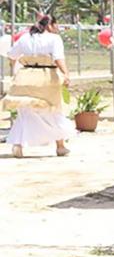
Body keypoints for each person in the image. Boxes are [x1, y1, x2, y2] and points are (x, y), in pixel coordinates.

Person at [1, 15, 74, 158]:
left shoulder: (25, 38)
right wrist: (66, 74)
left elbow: (11, 55)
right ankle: (60, 146)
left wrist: (15, 67)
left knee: (25, 111)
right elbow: (58, 58)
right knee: (53, 109)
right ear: (50, 25)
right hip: (47, 76)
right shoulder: (54, 39)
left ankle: (18, 145)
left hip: (26, 75)